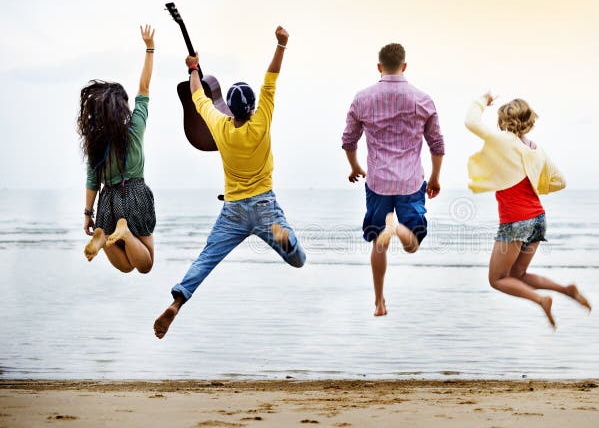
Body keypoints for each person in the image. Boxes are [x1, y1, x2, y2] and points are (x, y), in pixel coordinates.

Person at [153, 26, 305, 339]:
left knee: (206, 259)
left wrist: (193, 68)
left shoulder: (220, 126)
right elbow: (271, 78)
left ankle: (177, 301)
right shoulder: (262, 120)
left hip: (233, 210)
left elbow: (198, 97)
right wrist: (280, 44)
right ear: (251, 108)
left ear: (231, 110)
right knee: (298, 260)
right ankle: (283, 236)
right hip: (264, 206)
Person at [465, 93, 591, 329]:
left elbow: (471, 121)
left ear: (504, 122)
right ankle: (566, 289)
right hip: (538, 218)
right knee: (518, 275)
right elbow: (560, 181)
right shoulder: (536, 150)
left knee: (497, 279)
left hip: (516, 220)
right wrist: (534, 185)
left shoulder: (503, 141)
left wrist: (483, 99)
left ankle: (541, 299)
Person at [341, 43, 445, 317]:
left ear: (379, 67)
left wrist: (354, 167)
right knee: (413, 245)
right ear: (404, 66)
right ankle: (397, 227)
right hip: (410, 181)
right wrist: (435, 177)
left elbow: (349, 140)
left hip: (378, 181)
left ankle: (379, 301)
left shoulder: (363, 98)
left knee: (379, 242)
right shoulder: (422, 99)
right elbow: (437, 144)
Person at [81, 25, 157, 274]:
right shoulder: (134, 128)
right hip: (133, 193)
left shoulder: (96, 143)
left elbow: (92, 180)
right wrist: (149, 48)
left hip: (107, 202)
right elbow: (144, 87)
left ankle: (104, 237)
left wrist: (87, 214)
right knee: (145, 264)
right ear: (121, 108)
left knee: (126, 267)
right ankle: (122, 232)